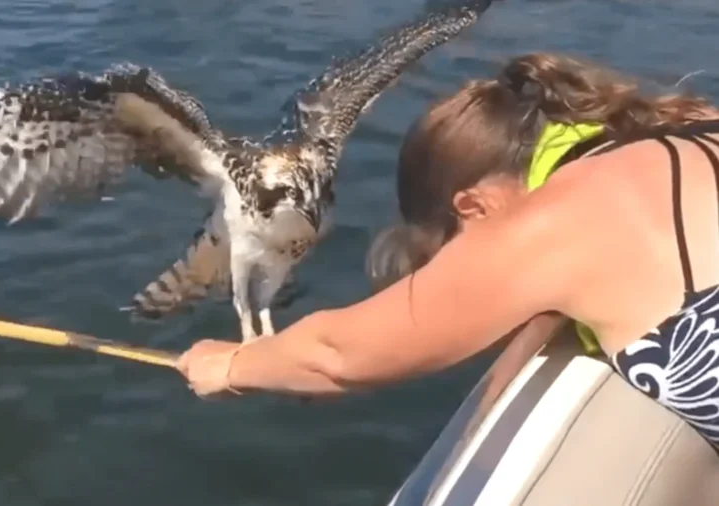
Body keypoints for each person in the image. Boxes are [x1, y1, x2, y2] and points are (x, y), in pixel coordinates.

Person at [176, 52, 719, 447]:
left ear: (474, 207)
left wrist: (231, 365)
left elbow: (338, 355)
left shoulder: (556, 221)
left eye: (452, 248)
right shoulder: (680, 130)